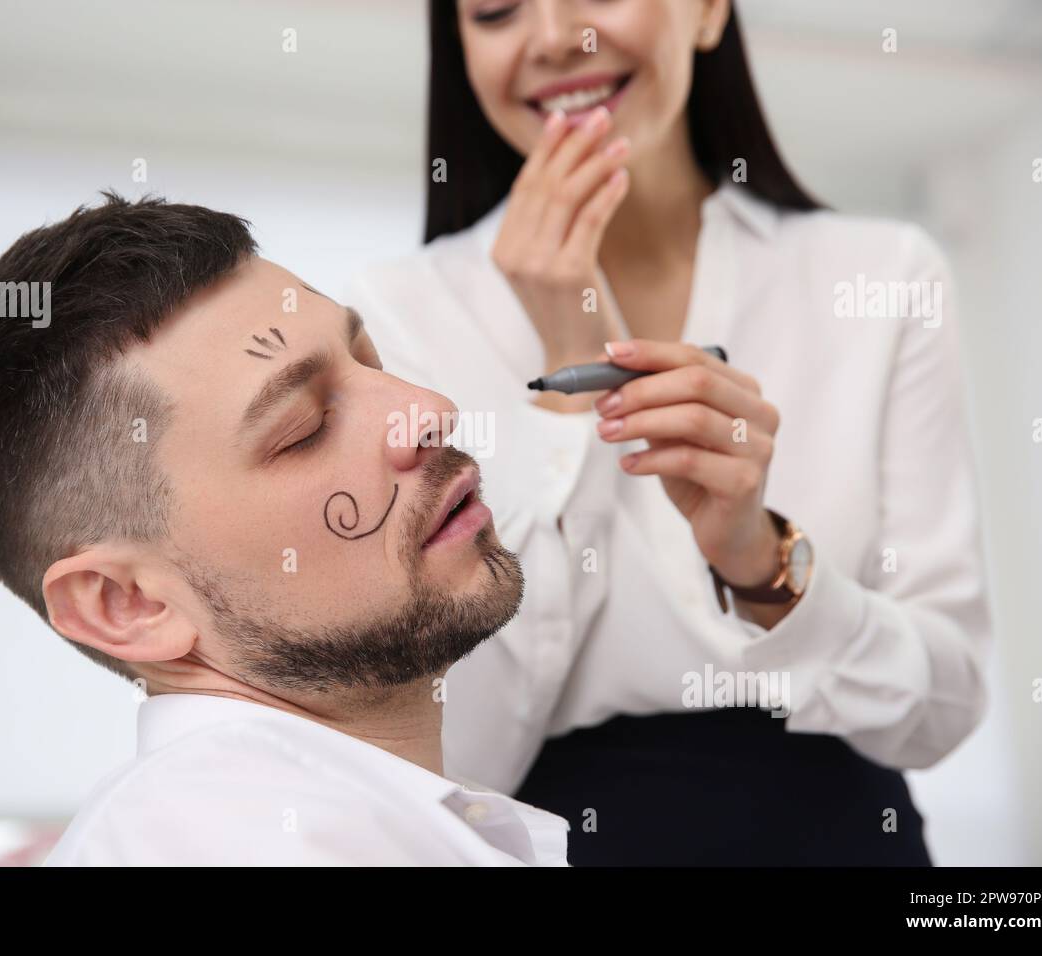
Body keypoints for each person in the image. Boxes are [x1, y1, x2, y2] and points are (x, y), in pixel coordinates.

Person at [343, 0, 991, 864]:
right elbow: (459, 755)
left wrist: (763, 565)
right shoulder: (400, 313)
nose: (552, 38)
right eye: (495, 9)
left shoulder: (881, 276)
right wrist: (568, 372)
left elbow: (942, 709)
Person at [0, 193, 568, 866]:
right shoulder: (238, 842)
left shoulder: (338, 819)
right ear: (126, 603)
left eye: (367, 359)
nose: (429, 410)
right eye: (304, 431)